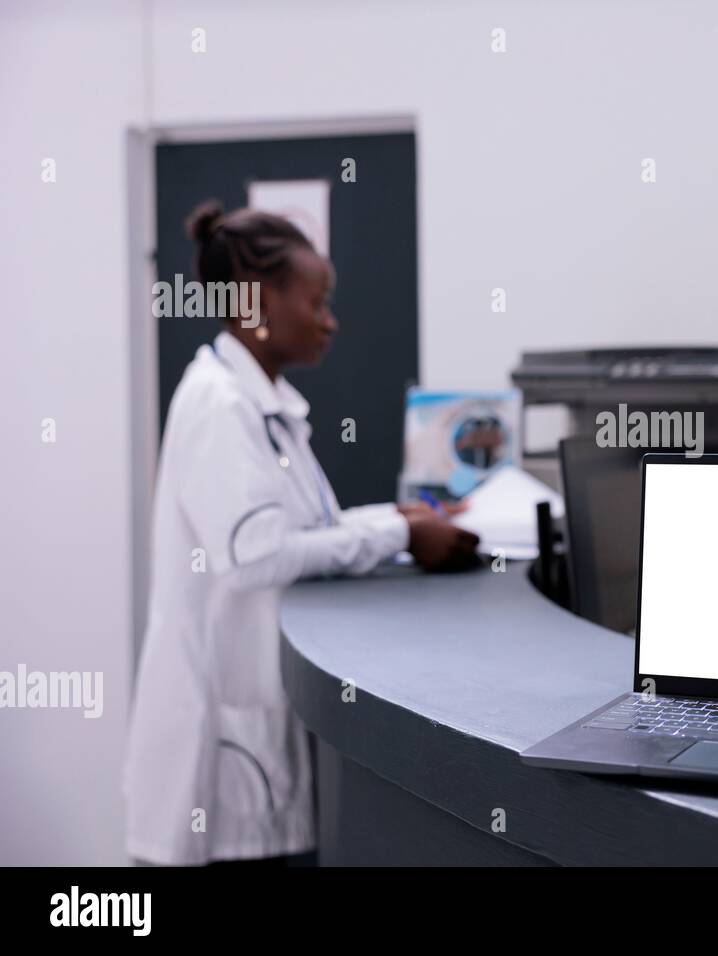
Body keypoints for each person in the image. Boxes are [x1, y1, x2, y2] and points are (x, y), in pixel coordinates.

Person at [123, 201, 480, 865]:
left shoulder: (266, 407)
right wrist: (398, 537)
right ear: (258, 301)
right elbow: (257, 556)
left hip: (255, 733)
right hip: (217, 746)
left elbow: (305, 530)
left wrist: (400, 522)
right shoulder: (218, 406)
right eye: (317, 303)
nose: (329, 321)